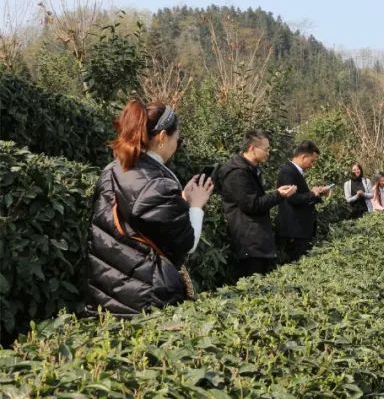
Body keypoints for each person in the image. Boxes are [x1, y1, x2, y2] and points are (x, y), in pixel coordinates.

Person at [87, 100, 213, 316]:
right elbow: (186, 244)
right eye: (177, 139)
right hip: (144, 298)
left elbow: (141, 217)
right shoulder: (158, 184)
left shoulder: (113, 169)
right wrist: (196, 206)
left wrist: (180, 199)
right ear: (163, 137)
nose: (177, 145)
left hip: (106, 291)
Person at [215, 130, 297, 280]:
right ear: (252, 148)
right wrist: (279, 195)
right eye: (266, 149)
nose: (268, 153)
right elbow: (251, 205)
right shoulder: (237, 173)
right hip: (248, 240)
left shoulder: (250, 169)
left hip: (256, 238)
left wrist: (276, 193)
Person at [275, 141, 332, 263]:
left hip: (301, 230)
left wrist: (318, 194)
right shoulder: (288, 171)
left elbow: (302, 197)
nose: (313, 165)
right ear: (304, 157)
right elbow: (292, 198)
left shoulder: (295, 172)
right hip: (295, 231)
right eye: (312, 160)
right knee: (295, 265)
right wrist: (312, 193)